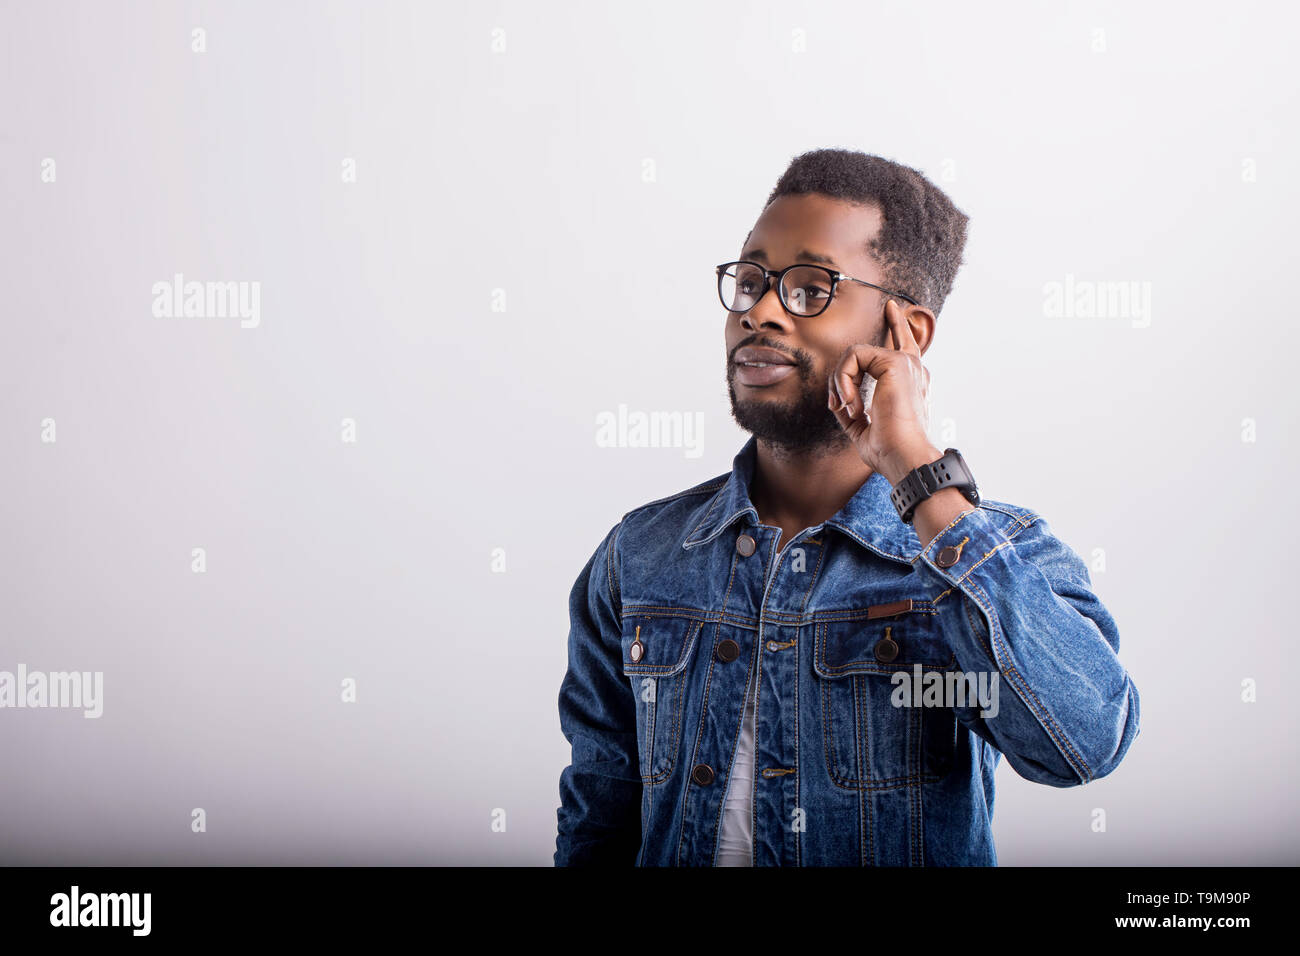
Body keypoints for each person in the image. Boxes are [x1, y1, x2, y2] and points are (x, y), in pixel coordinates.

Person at [554, 148, 1140, 866]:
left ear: (906, 335)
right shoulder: (640, 554)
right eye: (751, 281)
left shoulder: (994, 552)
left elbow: (1084, 745)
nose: (760, 311)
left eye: (811, 287)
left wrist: (918, 470)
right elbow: (599, 815)